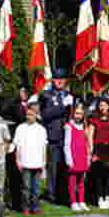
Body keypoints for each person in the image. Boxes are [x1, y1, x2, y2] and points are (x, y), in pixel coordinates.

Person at [38, 69, 74, 206]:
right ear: (53, 80)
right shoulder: (46, 95)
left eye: (62, 79)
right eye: (57, 79)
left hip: (67, 136)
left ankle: (63, 193)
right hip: (53, 136)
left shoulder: (69, 95)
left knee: (65, 166)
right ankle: (51, 194)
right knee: (53, 167)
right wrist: (62, 106)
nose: (60, 81)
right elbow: (45, 114)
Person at [13, 102, 47, 215]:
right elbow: (17, 145)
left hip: (37, 162)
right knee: (26, 187)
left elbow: (44, 146)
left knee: (36, 188)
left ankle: (35, 207)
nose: (29, 117)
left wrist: (44, 162)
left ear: (36, 115)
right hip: (25, 162)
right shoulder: (20, 128)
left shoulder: (41, 129)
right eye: (27, 114)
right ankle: (26, 207)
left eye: (31, 115)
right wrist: (18, 160)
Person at [87, 97, 109, 209]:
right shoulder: (94, 120)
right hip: (99, 149)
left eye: (105, 105)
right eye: (101, 105)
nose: (103, 107)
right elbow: (90, 136)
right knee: (99, 175)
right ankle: (100, 198)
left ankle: (107, 197)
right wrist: (92, 152)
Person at [63, 103, 92, 211]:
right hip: (73, 157)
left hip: (83, 156)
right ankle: (73, 202)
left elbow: (87, 143)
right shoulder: (68, 126)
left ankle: (81, 201)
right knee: (72, 181)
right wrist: (69, 159)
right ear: (73, 114)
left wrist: (88, 157)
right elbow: (67, 144)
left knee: (81, 181)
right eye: (76, 113)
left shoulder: (84, 127)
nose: (78, 116)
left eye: (80, 114)